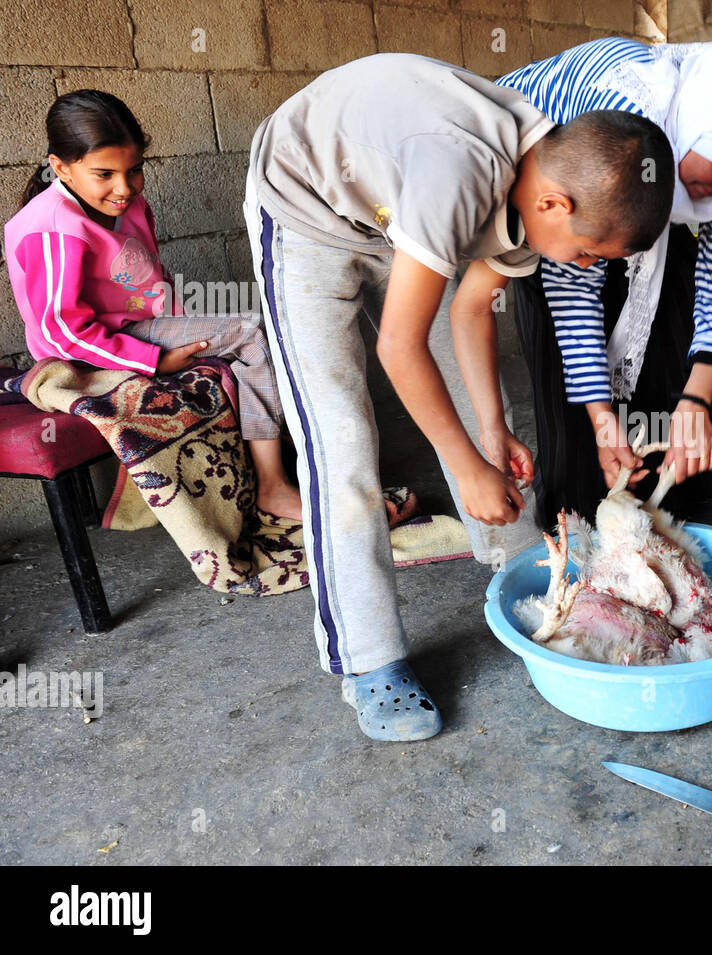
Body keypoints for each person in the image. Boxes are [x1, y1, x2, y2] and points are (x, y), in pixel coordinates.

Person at [244, 53, 674, 741]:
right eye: (592, 254)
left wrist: (492, 431)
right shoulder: (462, 174)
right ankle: (368, 660)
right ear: (554, 205)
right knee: (342, 439)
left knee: (476, 417)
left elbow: (470, 312)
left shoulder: (536, 186)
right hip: (305, 206)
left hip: (394, 208)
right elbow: (397, 348)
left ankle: (525, 572)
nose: (590, 269)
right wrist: (466, 462)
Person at [498, 36, 712, 525]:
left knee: (674, 331)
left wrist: (696, 399)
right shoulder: (624, 122)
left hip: (649, 195)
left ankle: (679, 491)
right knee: (573, 400)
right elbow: (573, 289)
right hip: (558, 221)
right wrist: (600, 419)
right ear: (691, 131)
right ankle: (582, 511)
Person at [4, 90, 302, 519]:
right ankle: (273, 486)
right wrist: (152, 361)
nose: (123, 188)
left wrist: (190, 331)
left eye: (134, 170)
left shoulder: (132, 205)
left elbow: (152, 281)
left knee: (259, 329)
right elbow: (61, 330)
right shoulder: (52, 226)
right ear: (61, 168)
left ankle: (283, 468)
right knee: (251, 332)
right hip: (92, 348)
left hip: (141, 325)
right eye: (103, 174)